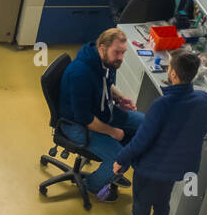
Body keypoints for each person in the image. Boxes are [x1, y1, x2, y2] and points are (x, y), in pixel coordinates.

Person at [94, 49, 207, 215]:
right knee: (162, 204)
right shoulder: (203, 100)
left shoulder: (162, 105)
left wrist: (121, 158)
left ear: (173, 74)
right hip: (175, 167)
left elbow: (141, 140)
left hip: (152, 168)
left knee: (141, 209)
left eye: (169, 67)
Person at [57, 28, 145, 202]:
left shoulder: (106, 62)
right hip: (76, 124)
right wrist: (113, 132)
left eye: (123, 52)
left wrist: (120, 97)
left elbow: (104, 84)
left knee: (146, 124)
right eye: (117, 52)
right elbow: (85, 118)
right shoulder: (81, 73)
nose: (121, 57)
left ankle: (110, 172)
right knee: (120, 158)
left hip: (102, 110)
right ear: (103, 48)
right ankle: (93, 185)